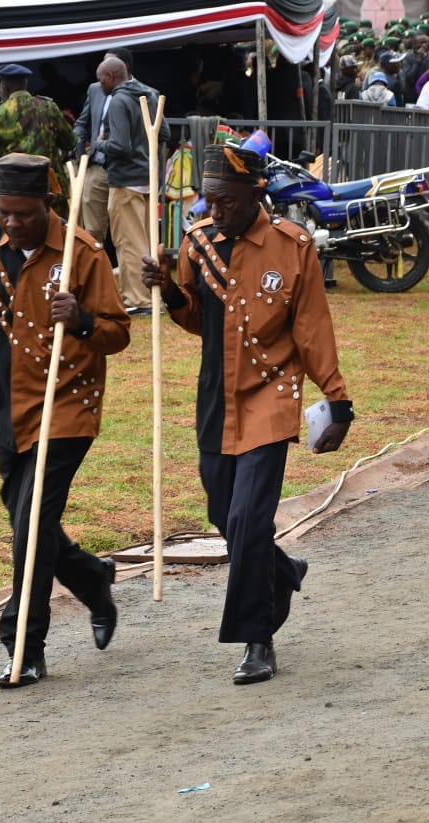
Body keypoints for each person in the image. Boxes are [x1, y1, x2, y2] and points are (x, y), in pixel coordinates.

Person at [140, 143, 355, 685]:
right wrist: (167, 289)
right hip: (216, 395)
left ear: (256, 194)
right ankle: (281, 570)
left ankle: (256, 640)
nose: (216, 212)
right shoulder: (198, 243)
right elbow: (194, 319)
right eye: (209, 202)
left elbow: (311, 329)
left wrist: (338, 402)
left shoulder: (292, 245)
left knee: (247, 520)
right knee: (222, 514)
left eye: (227, 202)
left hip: (271, 394)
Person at [0, 153, 130, 688]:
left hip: (67, 406)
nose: (11, 223)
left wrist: (83, 322)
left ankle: (23, 644)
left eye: (23, 213)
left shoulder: (81, 253)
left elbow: (118, 331)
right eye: (3, 212)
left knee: (31, 524)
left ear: (48, 204)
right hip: (8, 410)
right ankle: (92, 577)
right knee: (27, 517)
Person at [95, 56, 166, 314]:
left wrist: (98, 145)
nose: (98, 83)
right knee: (146, 241)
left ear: (111, 77)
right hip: (147, 177)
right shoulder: (149, 94)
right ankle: (152, 295)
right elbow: (164, 133)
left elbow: (120, 146)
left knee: (129, 242)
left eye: (100, 77)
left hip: (125, 179)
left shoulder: (118, 100)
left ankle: (138, 299)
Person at [0, 63, 77, 209]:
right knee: (55, 229)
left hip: (14, 192)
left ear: (5, 87)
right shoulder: (48, 106)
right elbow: (70, 142)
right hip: (48, 189)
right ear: (25, 84)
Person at [72, 49, 131, 241]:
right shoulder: (95, 89)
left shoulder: (142, 92)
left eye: (108, 66)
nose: (101, 73)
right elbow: (81, 123)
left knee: (124, 232)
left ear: (120, 70)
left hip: (126, 170)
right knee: (92, 230)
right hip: (98, 167)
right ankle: (93, 268)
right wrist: (80, 147)